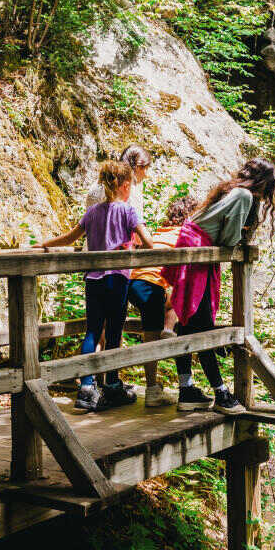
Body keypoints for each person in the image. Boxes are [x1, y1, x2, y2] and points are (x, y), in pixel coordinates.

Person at [161, 159, 275, 415]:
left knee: (189, 323)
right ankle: (221, 393)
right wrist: (241, 234)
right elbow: (228, 238)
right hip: (198, 253)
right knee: (201, 325)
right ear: (266, 183)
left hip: (192, 247)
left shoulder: (232, 190)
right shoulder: (244, 195)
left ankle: (187, 389)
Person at [39, 160, 155, 413]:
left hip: (93, 279)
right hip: (118, 279)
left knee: (92, 331)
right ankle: (112, 384)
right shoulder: (128, 211)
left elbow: (70, 238)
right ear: (126, 186)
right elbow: (149, 244)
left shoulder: (92, 212)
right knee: (114, 332)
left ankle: (87, 387)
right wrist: (132, 245)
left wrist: (42, 245)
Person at [127, 194, 201, 408]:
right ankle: (152, 393)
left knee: (153, 328)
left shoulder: (160, 231)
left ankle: (153, 387)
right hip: (151, 285)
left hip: (134, 283)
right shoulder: (184, 233)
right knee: (151, 339)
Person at [86, 144, 151, 222]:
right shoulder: (130, 189)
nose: (146, 175)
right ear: (138, 167)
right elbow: (136, 228)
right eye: (146, 169)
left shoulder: (97, 184)